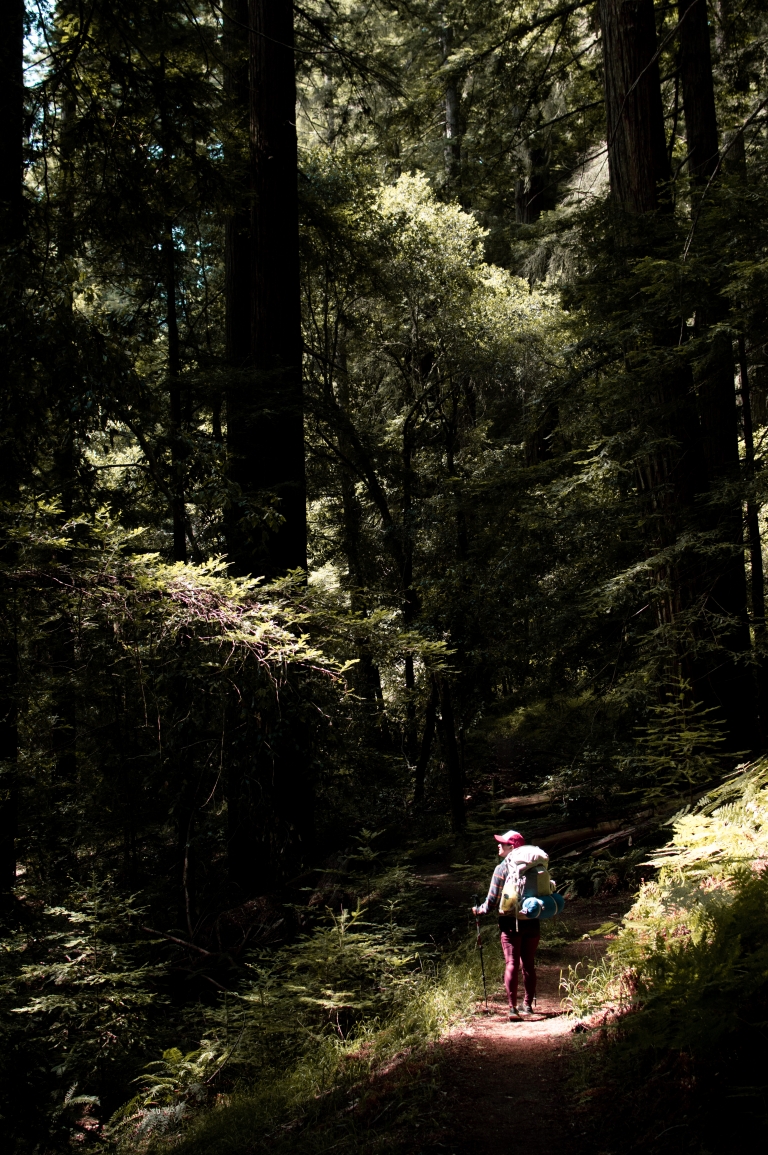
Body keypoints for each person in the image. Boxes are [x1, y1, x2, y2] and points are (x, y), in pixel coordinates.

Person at [472, 828, 554, 1020]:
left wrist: (479, 910)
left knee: (511, 963)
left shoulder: (502, 868)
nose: (499, 845)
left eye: (503, 843)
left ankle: (512, 1008)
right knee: (528, 964)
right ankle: (528, 1005)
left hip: (510, 922)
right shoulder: (535, 866)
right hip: (532, 919)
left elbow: (492, 901)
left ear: (512, 847)